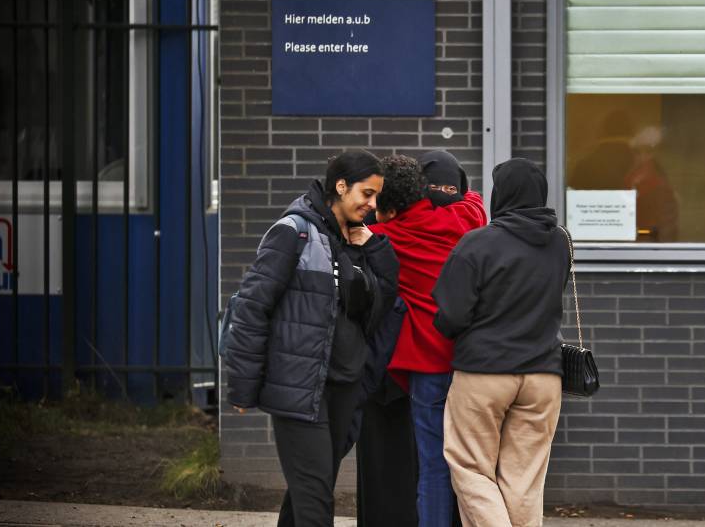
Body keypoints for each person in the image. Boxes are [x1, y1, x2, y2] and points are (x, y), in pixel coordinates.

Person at [222, 149, 401, 527]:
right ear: (341, 185)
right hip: (300, 391)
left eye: (376, 196)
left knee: (310, 490)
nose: (372, 204)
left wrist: (373, 246)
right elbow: (253, 308)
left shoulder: (353, 241)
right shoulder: (294, 232)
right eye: (366, 194)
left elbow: (383, 303)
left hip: (343, 389)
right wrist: (242, 385)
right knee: (316, 498)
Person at [433, 158, 570, 527]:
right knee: (524, 480)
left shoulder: (477, 243)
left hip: (484, 372)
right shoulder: (560, 241)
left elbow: (451, 315)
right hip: (544, 375)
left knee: (471, 467)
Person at [365, 151, 486, 527]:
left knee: (432, 462)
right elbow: (476, 201)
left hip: (425, 365)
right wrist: (451, 193)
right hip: (470, 362)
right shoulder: (463, 218)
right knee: (474, 462)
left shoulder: (383, 237)